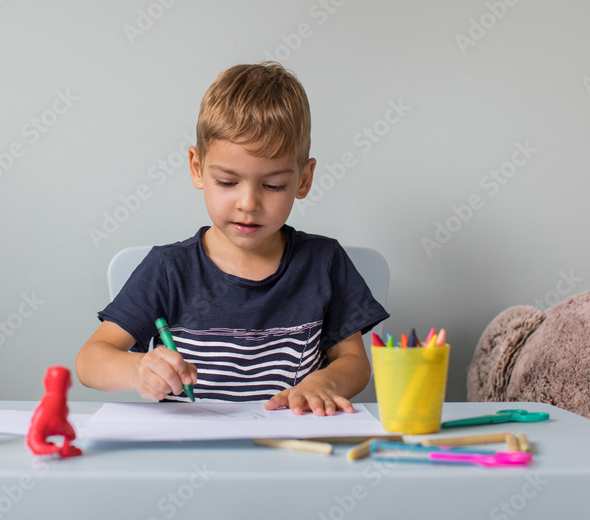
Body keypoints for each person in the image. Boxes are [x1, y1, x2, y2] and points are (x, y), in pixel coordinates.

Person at [75, 62, 389, 416]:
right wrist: (137, 370)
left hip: (294, 452)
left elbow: (356, 363)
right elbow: (90, 361)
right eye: (227, 182)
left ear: (303, 179)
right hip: (190, 453)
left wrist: (327, 383)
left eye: (273, 186)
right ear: (197, 168)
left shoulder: (324, 262)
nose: (248, 204)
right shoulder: (168, 269)